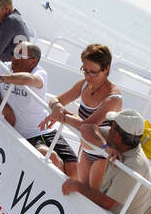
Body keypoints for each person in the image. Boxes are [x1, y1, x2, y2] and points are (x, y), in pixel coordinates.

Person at [60, 110, 151, 214]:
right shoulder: (119, 141)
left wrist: (77, 186)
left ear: (117, 136)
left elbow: (107, 203)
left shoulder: (134, 166)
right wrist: (104, 146)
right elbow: (86, 127)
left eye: (111, 125)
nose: (108, 127)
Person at [39, 44, 122, 184]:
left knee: (87, 195)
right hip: (85, 147)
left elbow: (87, 126)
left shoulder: (113, 98)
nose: (88, 76)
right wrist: (57, 108)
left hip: (102, 154)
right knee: (80, 189)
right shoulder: (84, 84)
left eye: (93, 72)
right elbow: (55, 99)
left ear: (106, 69)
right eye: (85, 70)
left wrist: (61, 117)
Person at [0, 41, 51, 148]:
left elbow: (30, 79)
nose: (14, 58)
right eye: (14, 54)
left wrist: (2, 79)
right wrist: (6, 109)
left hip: (39, 132)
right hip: (15, 134)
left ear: (33, 62)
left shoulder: (40, 73)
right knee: (52, 157)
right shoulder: (7, 67)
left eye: (19, 55)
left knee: (71, 165)